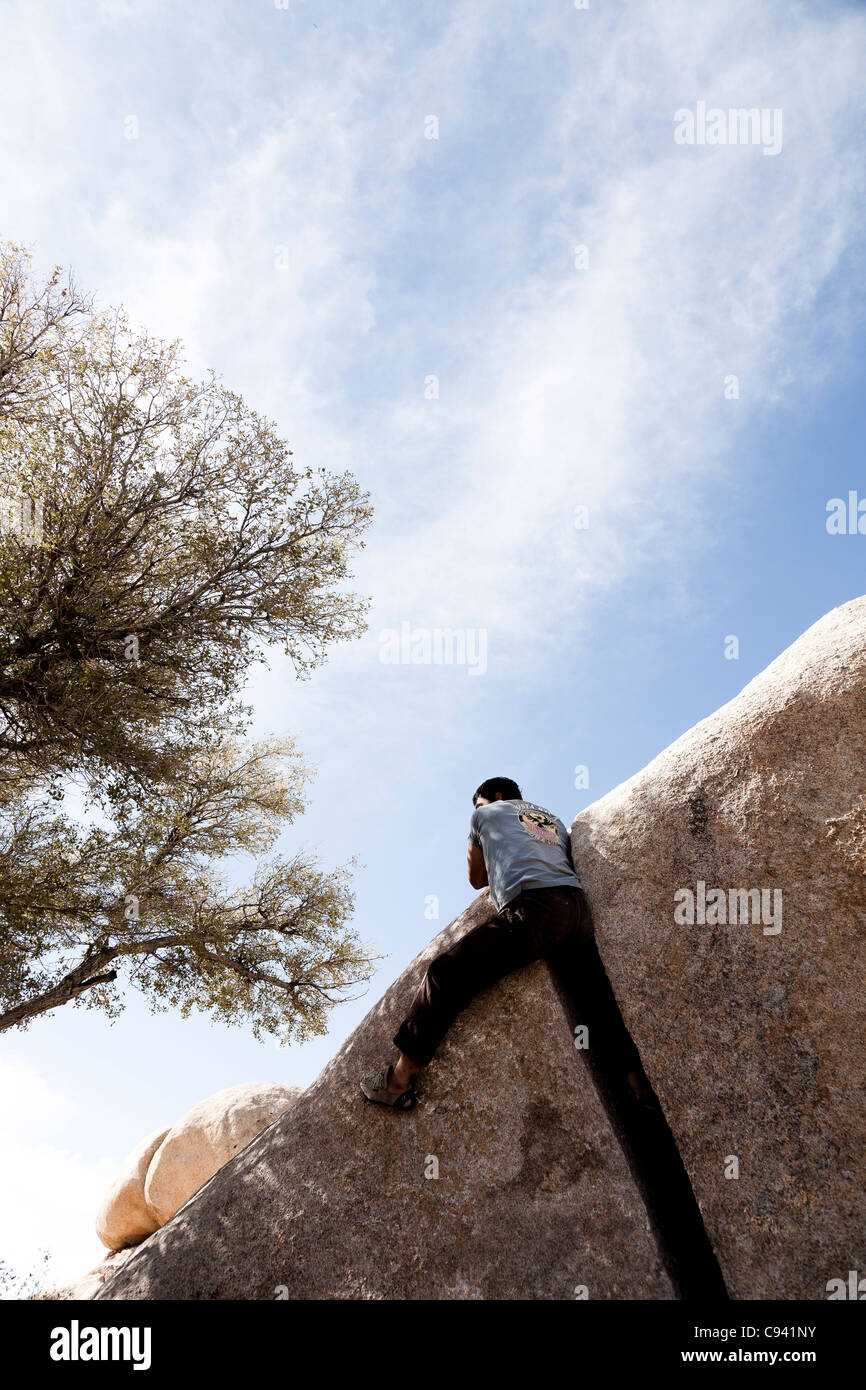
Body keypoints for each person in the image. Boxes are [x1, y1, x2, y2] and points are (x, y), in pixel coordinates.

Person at [360, 776, 652, 1110]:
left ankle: (398, 1081)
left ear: (495, 796)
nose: (477, 810)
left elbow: (476, 879)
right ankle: (635, 1080)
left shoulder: (485, 814)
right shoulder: (551, 818)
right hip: (575, 909)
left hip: (535, 910)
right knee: (593, 997)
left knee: (445, 973)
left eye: (479, 803)